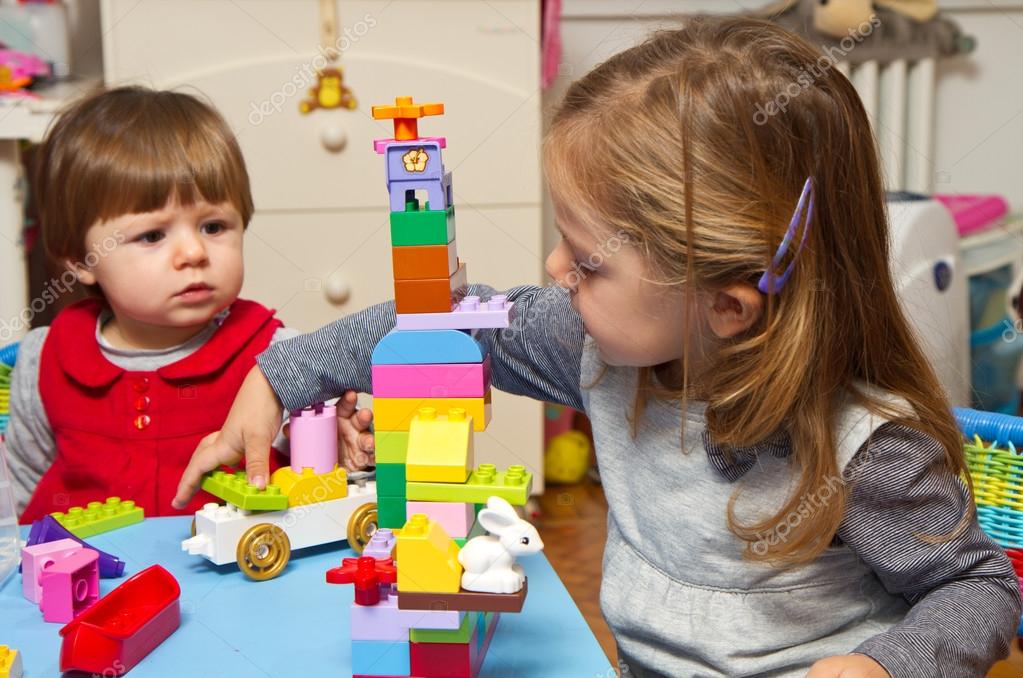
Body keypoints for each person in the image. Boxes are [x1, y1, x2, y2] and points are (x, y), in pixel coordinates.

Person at [174, 18, 1021, 676]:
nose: (553, 270)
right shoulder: (594, 342)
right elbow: (438, 319)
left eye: (586, 260)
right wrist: (274, 382)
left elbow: (977, 588)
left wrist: (885, 664)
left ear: (726, 307)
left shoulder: (867, 450)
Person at [8, 86, 372, 523]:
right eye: (152, 235)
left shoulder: (280, 359)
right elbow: (23, 492)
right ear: (79, 260)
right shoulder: (45, 357)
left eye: (213, 227)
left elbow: (323, 481)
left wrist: (336, 450)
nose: (194, 253)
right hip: (82, 567)